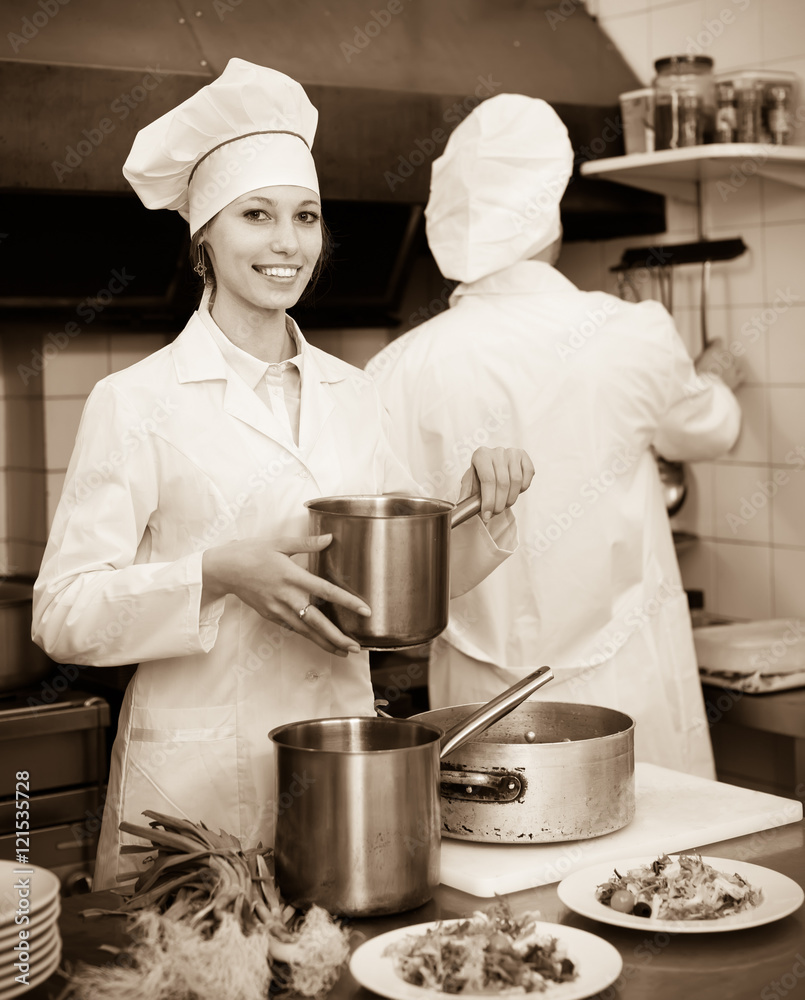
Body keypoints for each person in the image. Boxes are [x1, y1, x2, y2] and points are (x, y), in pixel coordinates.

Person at [31, 61, 534, 889]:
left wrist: (486, 508)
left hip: (339, 767)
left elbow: (399, 593)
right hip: (194, 786)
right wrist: (213, 575)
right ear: (204, 238)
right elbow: (61, 615)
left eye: (305, 216)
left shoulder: (355, 393)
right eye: (256, 215)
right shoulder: (135, 401)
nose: (287, 243)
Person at [368, 93, 743, 780]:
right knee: (659, 845)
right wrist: (713, 375)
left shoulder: (399, 367)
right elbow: (709, 431)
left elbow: (391, 542)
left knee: (490, 847)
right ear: (550, 213)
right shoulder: (631, 333)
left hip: (478, 703)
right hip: (627, 689)